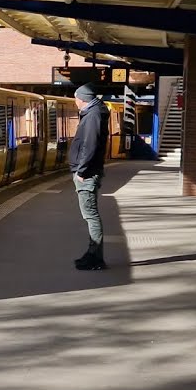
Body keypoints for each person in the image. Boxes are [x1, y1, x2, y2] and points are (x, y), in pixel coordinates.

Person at [69, 83, 110, 271]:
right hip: (88, 172)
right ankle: (92, 254)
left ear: (82, 99)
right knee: (90, 215)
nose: (75, 102)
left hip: (87, 174)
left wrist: (82, 171)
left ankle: (95, 258)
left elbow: (90, 145)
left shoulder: (93, 116)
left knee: (91, 216)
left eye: (76, 98)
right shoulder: (94, 113)